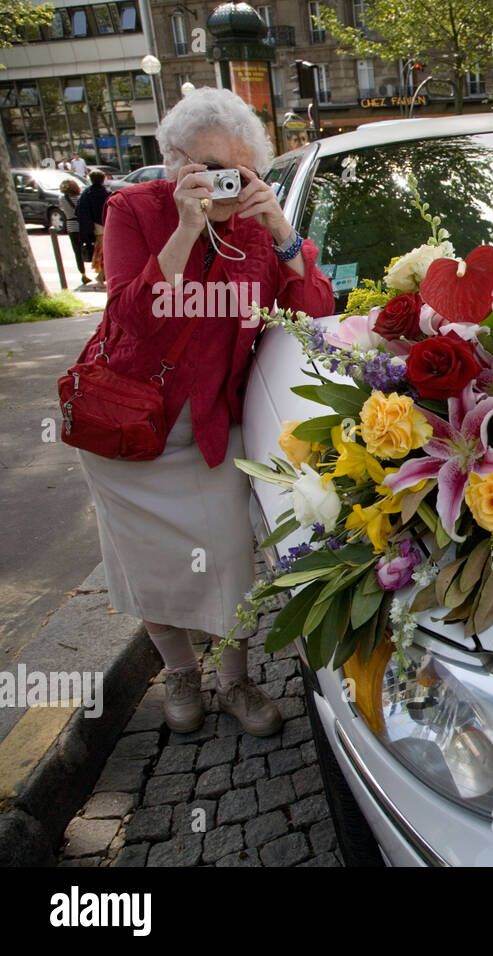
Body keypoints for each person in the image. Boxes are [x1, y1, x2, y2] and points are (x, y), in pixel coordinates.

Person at [69, 87, 334, 736]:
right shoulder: (136, 210)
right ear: (173, 159)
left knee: (229, 568)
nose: (224, 184)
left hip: (215, 429)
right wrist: (186, 229)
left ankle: (234, 680)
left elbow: (317, 318)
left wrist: (281, 232)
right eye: (210, 167)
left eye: (240, 172)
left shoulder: (255, 229)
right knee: (150, 567)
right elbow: (133, 318)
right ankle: (181, 671)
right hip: (129, 430)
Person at [76, 170, 109, 288]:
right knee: (105, 252)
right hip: (106, 225)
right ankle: (101, 276)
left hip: (95, 227)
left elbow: (81, 212)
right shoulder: (106, 193)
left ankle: (102, 275)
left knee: (102, 252)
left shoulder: (86, 194)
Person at [59, 179, 90, 286]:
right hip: (82, 225)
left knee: (77, 251)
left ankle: (83, 274)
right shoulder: (80, 197)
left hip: (71, 226)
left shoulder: (62, 199)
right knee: (89, 247)